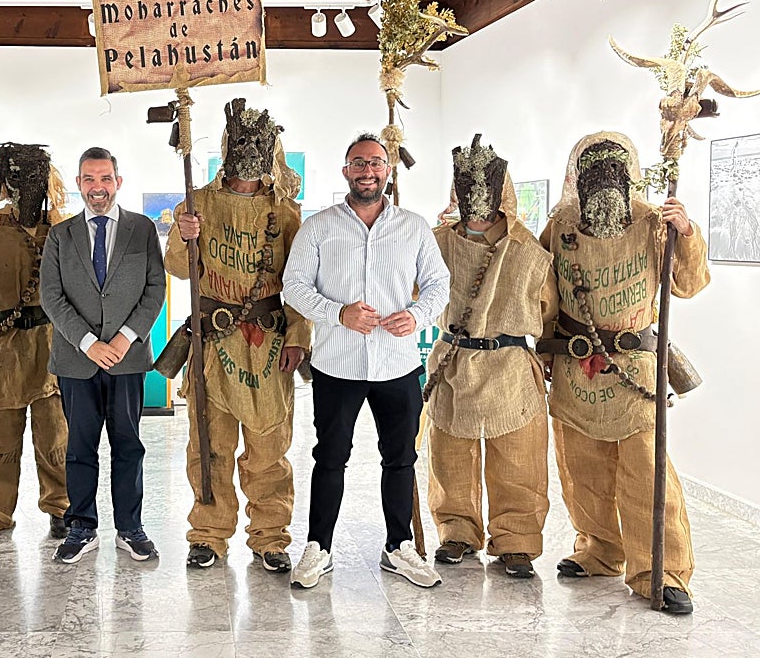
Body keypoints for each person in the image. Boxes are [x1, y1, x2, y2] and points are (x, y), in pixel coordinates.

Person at [537, 131, 708, 615]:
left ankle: (662, 569)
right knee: (582, 470)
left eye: (615, 169)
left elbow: (689, 284)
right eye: (595, 169)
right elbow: (546, 289)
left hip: (634, 367)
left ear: (631, 174)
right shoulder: (561, 227)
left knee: (646, 473)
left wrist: (687, 234)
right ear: (578, 176)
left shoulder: (656, 223)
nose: (606, 179)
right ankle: (599, 549)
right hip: (576, 366)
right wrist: (546, 347)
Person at [283, 132, 450, 590]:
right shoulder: (319, 227)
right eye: (358, 163)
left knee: (400, 458)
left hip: (397, 364)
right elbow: (293, 286)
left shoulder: (413, 227)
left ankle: (399, 547)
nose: (367, 171)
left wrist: (416, 317)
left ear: (387, 172)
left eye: (376, 163)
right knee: (330, 457)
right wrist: (338, 313)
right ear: (345, 172)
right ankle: (319, 548)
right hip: (337, 365)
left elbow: (439, 284)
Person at [164, 98, 309, 572]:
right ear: (228, 146)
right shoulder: (198, 203)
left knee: (269, 447)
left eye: (259, 142)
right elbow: (176, 268)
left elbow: (302, 281)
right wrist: (184, 236)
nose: (250, 151)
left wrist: (299, 336)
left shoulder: (285, 212)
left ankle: (270, 536)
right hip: (212, 345)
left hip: (267, 345)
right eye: (242, 141)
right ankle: (207, 533)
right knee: (208, 446)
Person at [423, 135, 558, 579]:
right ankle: (456, 531)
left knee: (518, 457)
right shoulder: (437, 242)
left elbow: (547, 310)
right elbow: (410, 290)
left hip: (509, 366)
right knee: (451, 456)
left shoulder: (530, 253)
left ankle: (516, 541)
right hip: (455, 362)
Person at [39, 146, 166, 564]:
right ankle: (81, 526)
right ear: (78, 184)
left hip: (127, 358)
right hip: (77, 359)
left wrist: (125, 338)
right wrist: (88, 342)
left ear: (118, 181)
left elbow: (154, 290)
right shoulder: (60, 235)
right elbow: (52, 297)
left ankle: (130, 528)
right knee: (79, 446)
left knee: (128, 443)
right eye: (89, 179)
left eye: (105, 178)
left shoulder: (142, 229)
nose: (98, 187)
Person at [0, 143, 69, 542]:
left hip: (52, 344)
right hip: (3, 347)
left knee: (55, 433)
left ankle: (62, 507)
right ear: (4, 180)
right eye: (17, 175)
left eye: (35, 174)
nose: (27, 183)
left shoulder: (62, 228)